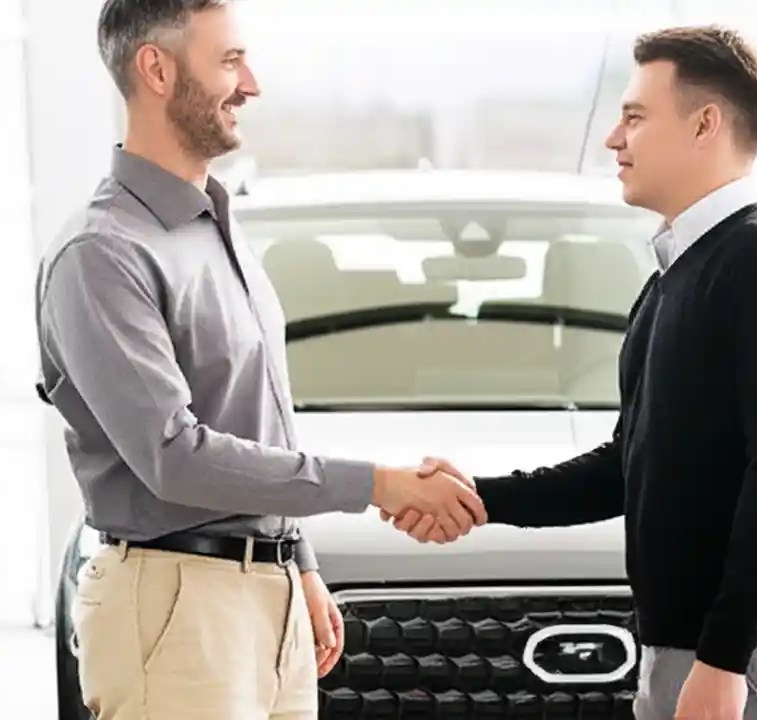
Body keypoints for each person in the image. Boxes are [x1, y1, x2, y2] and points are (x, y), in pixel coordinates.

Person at [33, 1, 486, 718]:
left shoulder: (216, 229)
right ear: (156, 68)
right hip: (176, 609)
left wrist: (292, 559)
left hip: (261, 600)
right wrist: (379, 484)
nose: (252, 84)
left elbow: (258, 418)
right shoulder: (102, 254)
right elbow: (174, 457)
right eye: (230, 61)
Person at [391, 25, 757, 720]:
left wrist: (724, 659)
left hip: (750, 659)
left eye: (635, 117)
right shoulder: (672, 278)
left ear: (705, 124)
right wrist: (480, 496)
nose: (613, 138)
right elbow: (629, 467)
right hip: (690, 651)